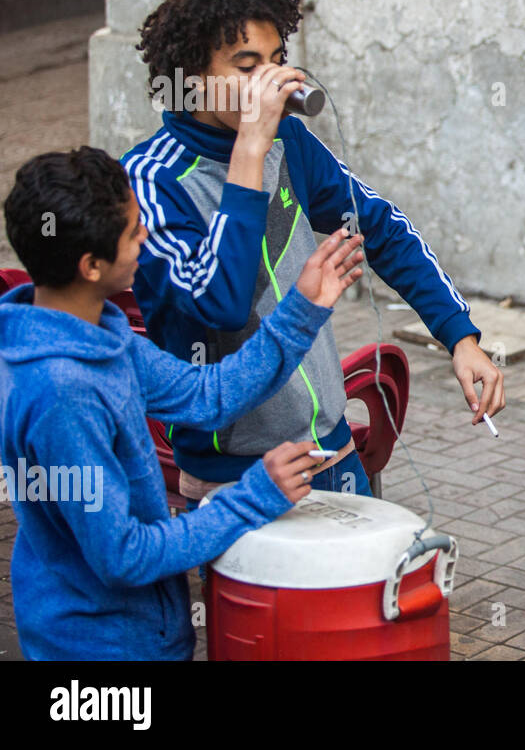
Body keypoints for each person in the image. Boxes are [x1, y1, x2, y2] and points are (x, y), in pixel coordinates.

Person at [122, 0, 503, 505]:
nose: (272, 79)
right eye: (247, 65)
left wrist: (461, 339)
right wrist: (250, 150)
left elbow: (384, 229)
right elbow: (219, 304)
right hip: (235, 471)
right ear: (192, 76)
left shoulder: (290, 142)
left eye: (278, 58)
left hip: (331, 446)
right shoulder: (151, 179)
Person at [0, 147, 364, 659]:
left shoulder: (99, 332)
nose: (147, 237)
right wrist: (255, 495)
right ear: (90, 265)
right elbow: (124, 556)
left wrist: (302, 309)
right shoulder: (63, 392)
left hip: (146, 635)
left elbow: (207, 395)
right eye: (132, 233)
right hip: (99, 650)